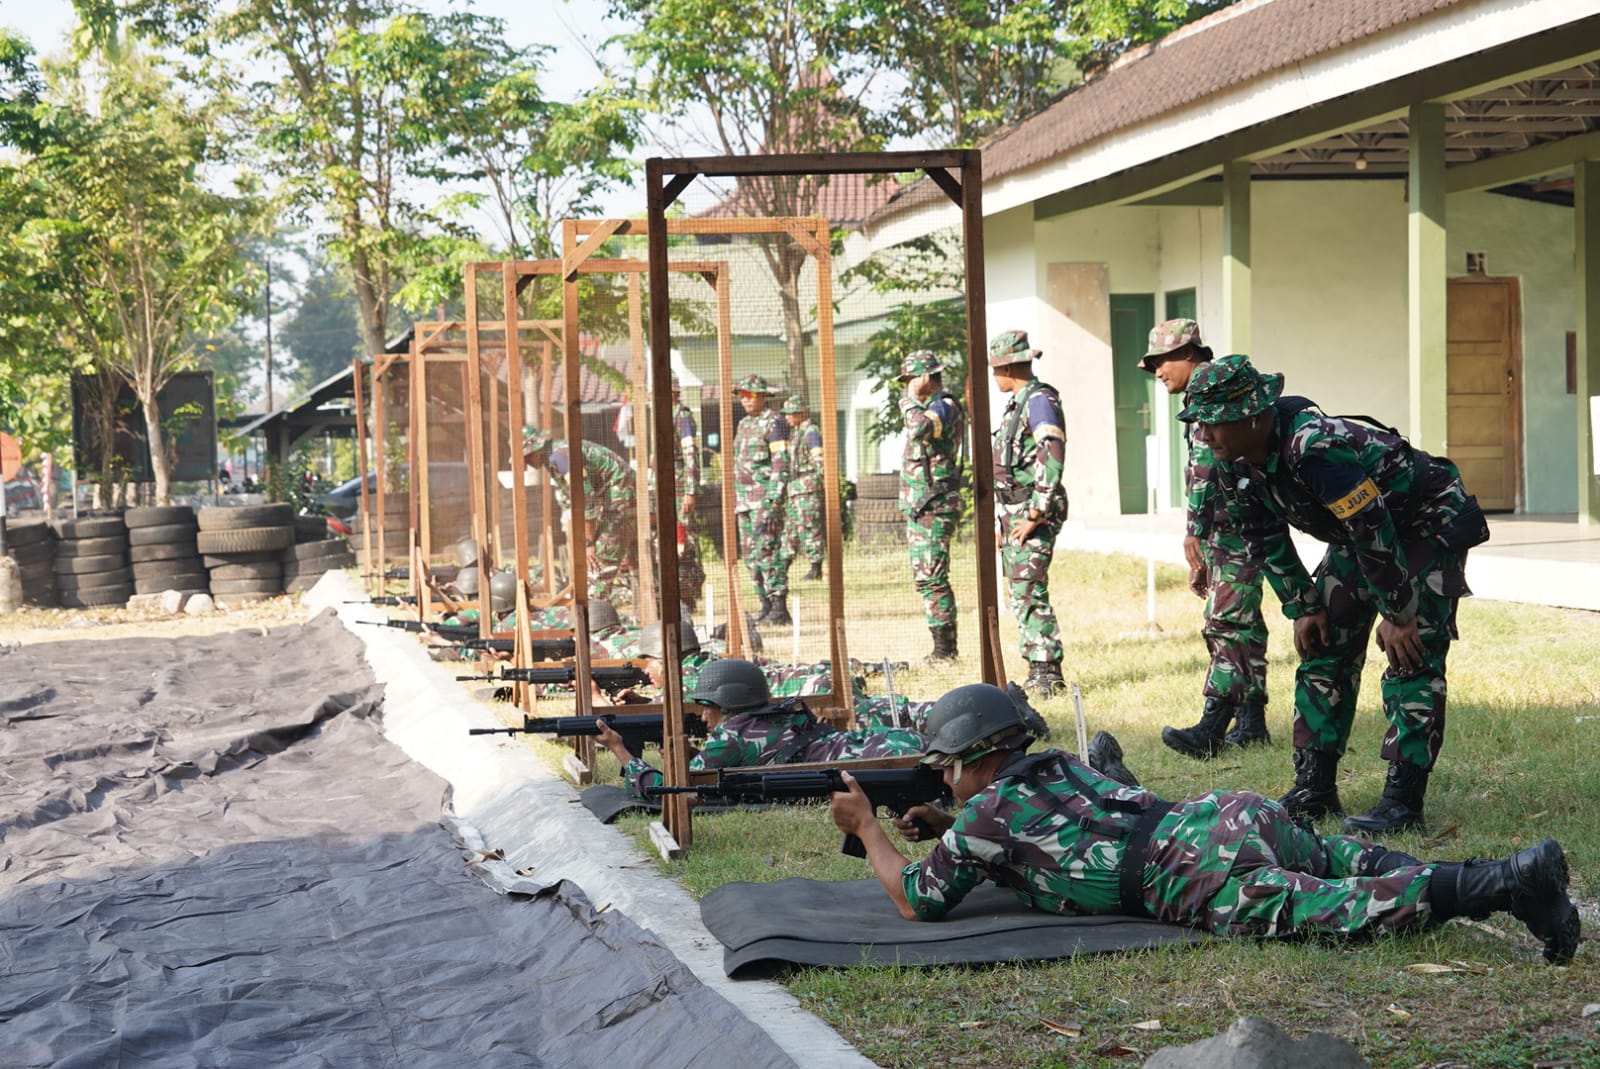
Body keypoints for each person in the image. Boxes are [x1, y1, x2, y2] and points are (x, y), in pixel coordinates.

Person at [827, 683, 1580, 965]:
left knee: (1341, 908)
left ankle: (1503, 884)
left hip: (1193, 874)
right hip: (1222, 813)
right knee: (1338, 860)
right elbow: (1025, 819)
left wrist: (868, 828)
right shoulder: (1046, 766)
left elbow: (915, 898)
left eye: (948, 765)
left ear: (975, 758)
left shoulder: (986, 816)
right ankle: (1499, 871)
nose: (944, 775)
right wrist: (949, 816)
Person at [1178, 356, 1490, 834]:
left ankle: (1403, 801)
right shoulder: (1232, 462)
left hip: (1426, 523)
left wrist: (1399, 611)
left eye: (1216, 422)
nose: (1205, 433)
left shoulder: (1314, 447)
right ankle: (1314, 788)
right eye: (1200, 421)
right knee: (1323, 647)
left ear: (1255, 415)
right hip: (1363, 536)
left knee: (1410, 653)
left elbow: (1371, 527)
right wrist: (1304, 607)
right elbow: (1264, 538)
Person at [1138, 319, 1272, 758]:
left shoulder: (1214, 393)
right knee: (1244, 621)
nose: (1157, 371)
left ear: (1190, 354)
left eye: (1162, 361)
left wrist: (1195, 530)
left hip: (1235, 524)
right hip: (1229, 526)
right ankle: (1251, 722)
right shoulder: (1200, 396)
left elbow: (1209, 473)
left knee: (1227, 622)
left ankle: (1213, 726)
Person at [598, 657, 926, 800]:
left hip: (886, 759)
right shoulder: (780, 713)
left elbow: (665, 790)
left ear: (726, 705)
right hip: (892, 741)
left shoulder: (731, 736)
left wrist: (619, 749)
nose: (702, 716)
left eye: (707, 707)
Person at [988, 330, 1069, 696]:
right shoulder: (1018, 403)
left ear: (1007, 367)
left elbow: (1050, 450)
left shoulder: (1039, 400)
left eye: (995, 369)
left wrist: (1038, 511)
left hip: (1030, 511)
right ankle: (1038, 666)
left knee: (1028, 589)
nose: (993, 377)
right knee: (1019, 591)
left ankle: (1047, 672)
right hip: (1013, 511)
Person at [897, 350, 967, 663]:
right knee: (925, 577)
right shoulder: (928, 407)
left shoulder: (945, 406)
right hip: (922, 506)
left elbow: (918, 429)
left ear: (927, 377)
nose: (907, 386)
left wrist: (908, 400)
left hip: (936, 505)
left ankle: (945, 651)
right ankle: (941, 647)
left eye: (911, 379)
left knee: (933, 576)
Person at [522, 429, 638, 605]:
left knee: (600, 559)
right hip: (610, 498)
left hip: (620, 494)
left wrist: (589, 542)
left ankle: (600, 606)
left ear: (537, 449)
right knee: (603, 557)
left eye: (528, 457)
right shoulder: (553, 458)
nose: (527, 463)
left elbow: (586, 498)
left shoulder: (560, 458)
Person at [731, 374, 791, 625]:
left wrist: (774, 498)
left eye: (751, 395)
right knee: (750, 555)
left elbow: (781, 462)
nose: (745, 400)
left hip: (765, 501)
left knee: (767, 551)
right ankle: (764, 604)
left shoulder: (775, 422)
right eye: (742, 395)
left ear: (763, 396)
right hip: (744, 502)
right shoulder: (744, 424)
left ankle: (779, 607)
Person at [778, 394, 826, 584]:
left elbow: (818, 460)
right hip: (795, 488)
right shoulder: (797, 432)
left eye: (790, 413)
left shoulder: (811, 432)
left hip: (807, 488)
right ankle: (784, 567)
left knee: (809, 527)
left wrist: (823, 484)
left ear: (800, 413)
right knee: (790, 528)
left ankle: (816, 567)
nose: (787, 417)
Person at [670, 378, 707, 615]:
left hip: (680, 486)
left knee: (684, 543)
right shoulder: (665, 415)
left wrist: (690, 490)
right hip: (667, 487)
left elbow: (690, 455)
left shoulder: (682, 416)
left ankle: (688, 594)